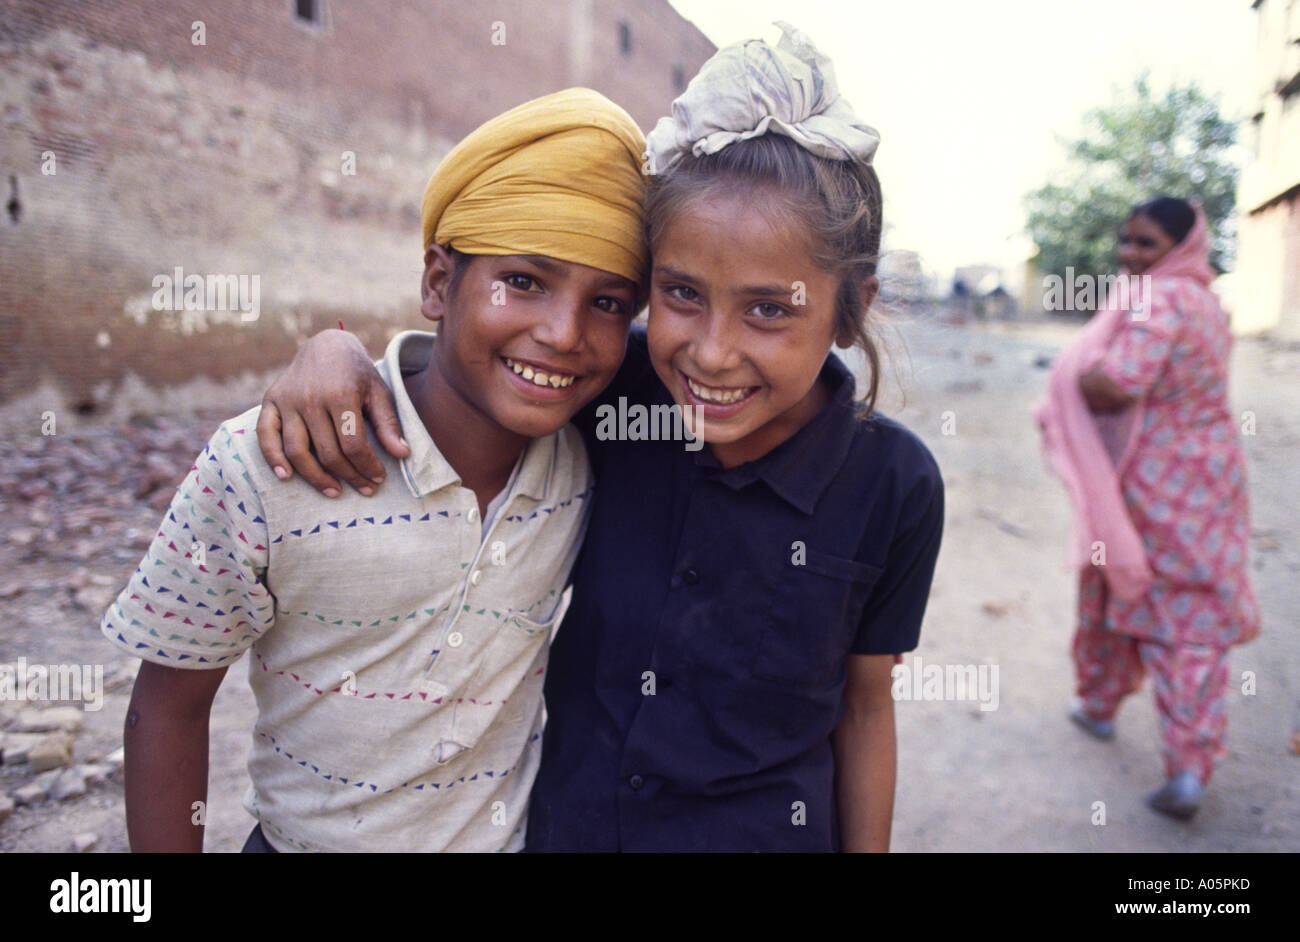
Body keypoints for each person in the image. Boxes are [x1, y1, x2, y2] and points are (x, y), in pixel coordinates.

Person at [258, 23, 944, 851]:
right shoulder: (609, 400)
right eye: (682, 294)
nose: (712, 351)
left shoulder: (896, 484)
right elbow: (475, 371)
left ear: (851, 310)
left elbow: (866, 706)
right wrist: (332, 353)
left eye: (769, 308)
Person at [100, 88, 650, 852]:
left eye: (610, 302)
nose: (562, 333)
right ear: (437, 283)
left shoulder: (596, 459)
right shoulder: (270, 464)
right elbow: (166, 709)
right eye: (523, 281)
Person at [1035, 196, 1260, 820]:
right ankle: (1182, 757)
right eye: (1127, 241)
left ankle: (1109, 712)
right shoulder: (1208, 301)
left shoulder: (1157, 299)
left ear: (1180, 249)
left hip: (1152, 483)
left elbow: (1117, 384)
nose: (1130, 255)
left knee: (1125, 592)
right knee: (1188, 611)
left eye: (1146, 244)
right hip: (1212, 480)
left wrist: (1072, 376)